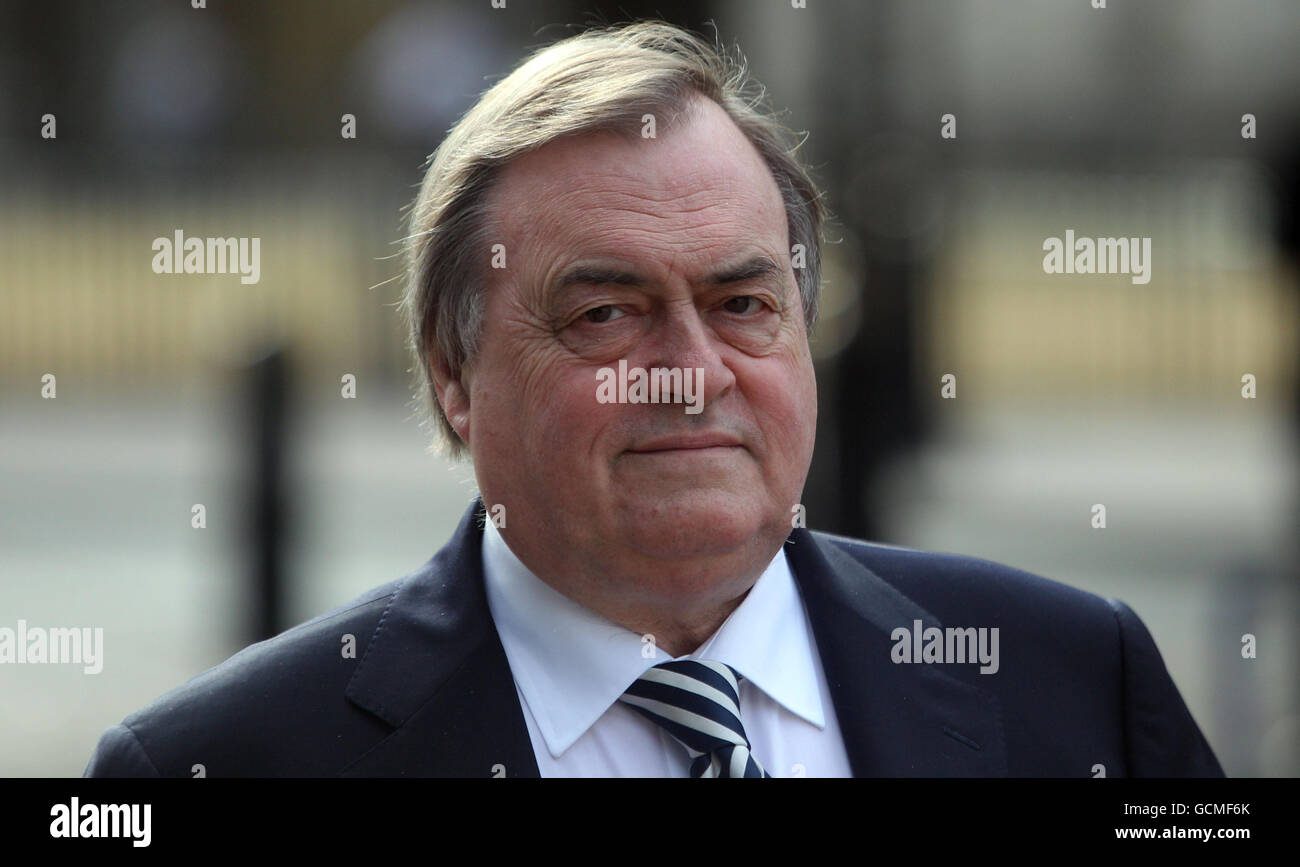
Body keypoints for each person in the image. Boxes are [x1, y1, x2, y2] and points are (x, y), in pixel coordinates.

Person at [84, 21, 1223, 778]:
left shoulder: (1077, 683)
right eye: (605, 315)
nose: (692, 371)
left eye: (741, 303)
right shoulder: (222, 765)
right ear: (451, 370)